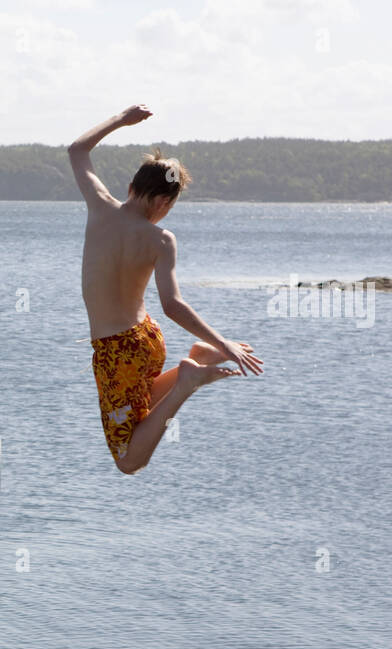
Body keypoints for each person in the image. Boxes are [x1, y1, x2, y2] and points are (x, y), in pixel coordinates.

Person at [68, 104, 263, 473]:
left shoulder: (99, 206)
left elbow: (77, 150)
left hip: (116, 351)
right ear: (162, 201)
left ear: (131, 187)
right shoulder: (160, 240)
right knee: (141, 413)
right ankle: (199, 359)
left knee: (128, 459)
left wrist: (122, 121)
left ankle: (187, 382)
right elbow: (172, 305)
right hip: (144, 340)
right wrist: (223, 343)